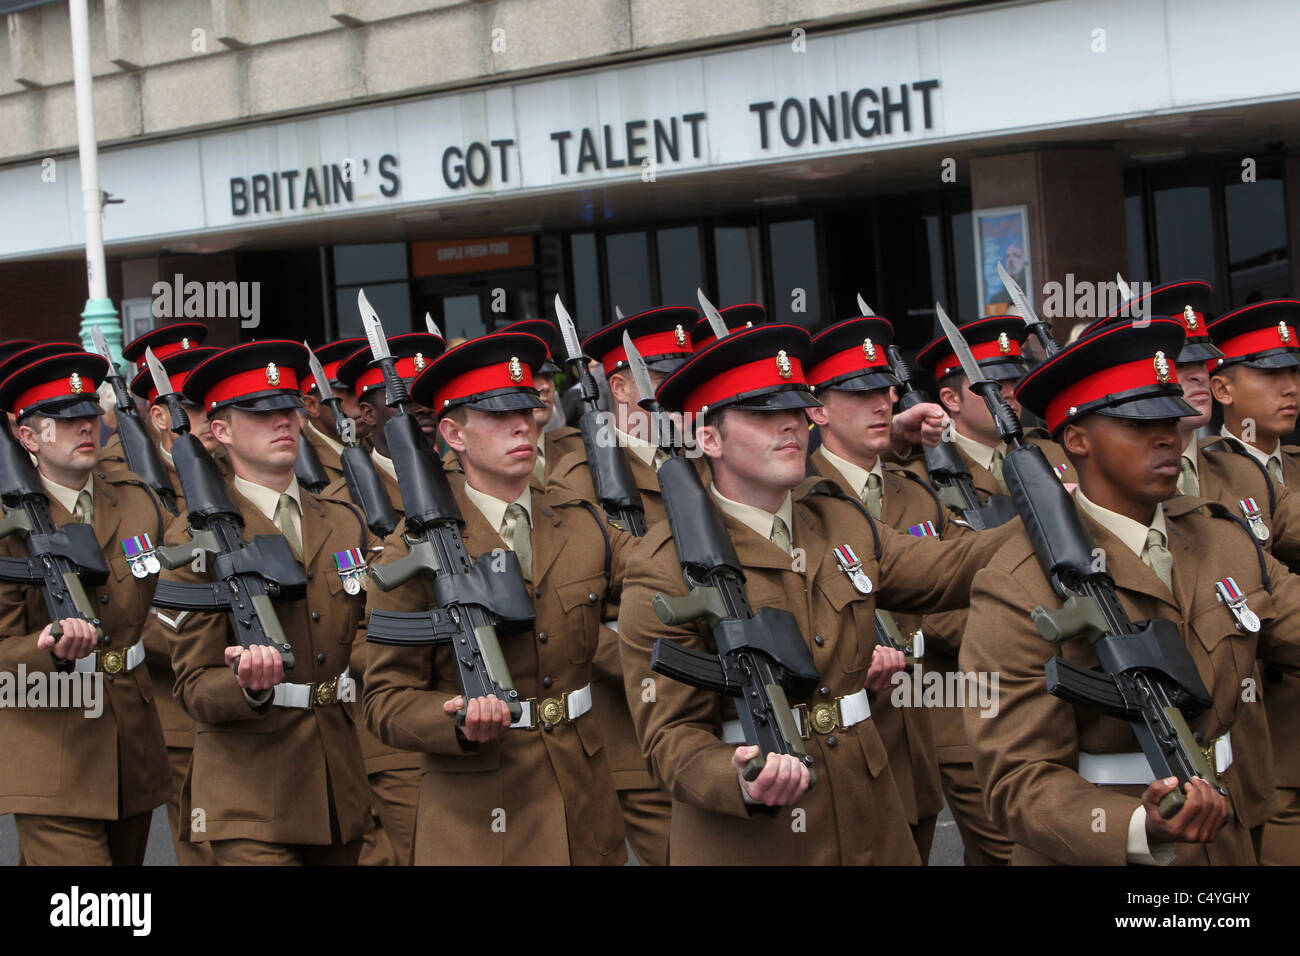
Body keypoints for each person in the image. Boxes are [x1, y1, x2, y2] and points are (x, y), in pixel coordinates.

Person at [617, 323, 1014, 865]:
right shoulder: (665, 564)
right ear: (709, 439)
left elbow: (949, 568)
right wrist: (736, 776)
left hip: (869, 815)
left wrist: (1060, 517)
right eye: (761, 414)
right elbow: (669, 736)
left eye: (796, 410)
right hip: (757, 839)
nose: (790, 427)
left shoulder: (839, 520)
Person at [962, 316, 1300, 865]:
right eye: (1139, 424)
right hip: (1117, 848)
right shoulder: (1016, 583)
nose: (1167, 436)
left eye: (1168, 416)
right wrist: (1141, 828)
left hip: (1228, 840)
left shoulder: (1222, 539)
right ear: (1077, 440)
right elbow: (1016, 779)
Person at [363, 331, 632, 864]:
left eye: (527, 408)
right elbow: (384, 700)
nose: (521, 424)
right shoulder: (410, 549)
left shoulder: (585, 524)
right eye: (495, 414)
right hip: (478, 820)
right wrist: (455, 717)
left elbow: (653, 609)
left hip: (582, 805)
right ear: (452, 433)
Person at [157, 340, 375, 865]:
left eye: (288, 409)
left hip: (335, 781)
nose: (283, 422)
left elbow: (369, 627)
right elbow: (192, 685)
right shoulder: (195, 536)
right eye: (261, 414)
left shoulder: (343, 519)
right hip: (249, 789)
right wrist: (244, 685)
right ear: (221, 430)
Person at [0, 349, 170, 865]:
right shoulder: (8, 524)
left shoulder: (138, 500)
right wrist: (45, 648)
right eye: (66, 420)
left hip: (130, 737)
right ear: (29, 437)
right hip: (51, 740)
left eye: (91, 416)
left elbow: (171, 601)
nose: (85, 428)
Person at [803, 315, 947, 862]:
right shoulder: (801, 499)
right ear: (817, 410)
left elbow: (957, 582)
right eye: (859, 393)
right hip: (842, 746)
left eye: (885, 389)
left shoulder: (917, 493)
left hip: (918, 737)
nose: (882, 403)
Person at [1206, 298, 1300, 864]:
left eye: (1294, 372)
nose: (1289, 387)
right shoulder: (1207, 475)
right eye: (1270, 374)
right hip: (1260, 728)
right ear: (1223, 390)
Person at [129, 342, 225, 866]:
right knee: (206, 849)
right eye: (192, 407)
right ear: (160, 415)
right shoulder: (125, 485)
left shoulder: (240, 472)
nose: (208, 418)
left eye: (212, 404)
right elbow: (125, 611)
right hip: (178, 708)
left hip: (264, 705)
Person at [300, 337, 371, 485]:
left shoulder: (382, 448)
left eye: (361, 390)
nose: (360, 401)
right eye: (347, 392)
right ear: (312, 406)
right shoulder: (297, 461)